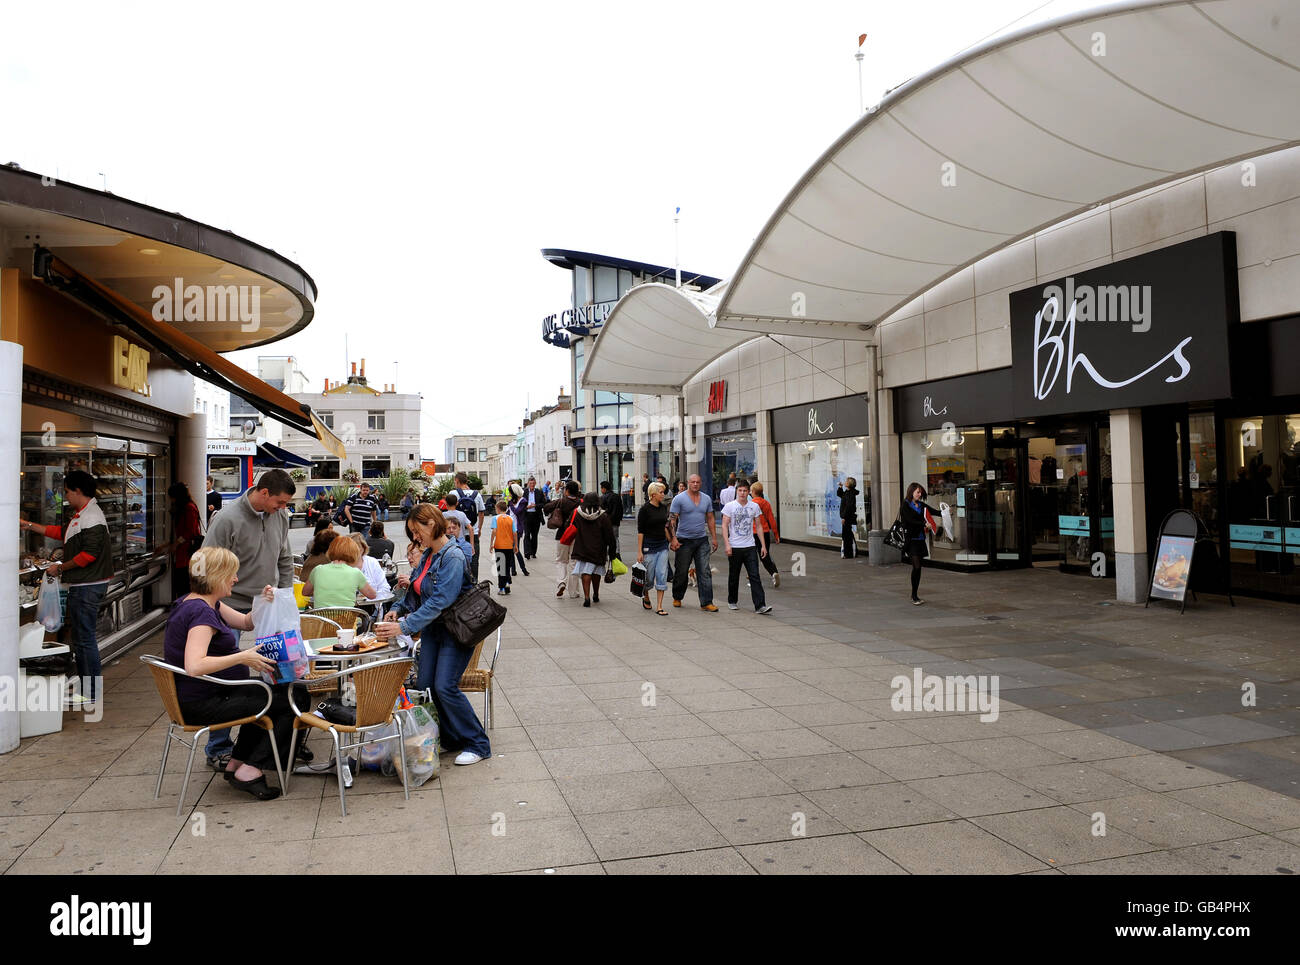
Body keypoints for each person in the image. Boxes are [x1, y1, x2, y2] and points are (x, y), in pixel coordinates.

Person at [164, 547, 303, 800]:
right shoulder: (201, 613)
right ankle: (251, 768)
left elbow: (246, 622)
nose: (236, 579)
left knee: (280, 691)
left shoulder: (201, 602)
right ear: (216, 576)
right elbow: (194, 665)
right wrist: (243, 656)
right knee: (293, 699)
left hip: (208, 695)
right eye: (232, 574)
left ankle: (238, 762)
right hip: (204, 703)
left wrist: (263, 601)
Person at [377, 504, 489, 766]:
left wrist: (404, 627)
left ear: (432, 524)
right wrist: (396, 609)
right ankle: (451, 737)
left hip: (454, 631)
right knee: (426, 685)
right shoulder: (430, 554)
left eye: (417, 531)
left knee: (444, 687)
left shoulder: (452, 556)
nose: (416, 538)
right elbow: (415, 589)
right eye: (413, 533)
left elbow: (441, 601)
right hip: (433, 631)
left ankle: (478, 743)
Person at [20, 469, 111, 707]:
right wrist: (29, 526)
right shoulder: (82, 515)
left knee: (84, 639)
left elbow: (89, 554)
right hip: (85, 584)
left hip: (88, 586)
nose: (66, 496)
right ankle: (88, 688)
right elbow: (62, 534)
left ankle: (90, 691)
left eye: (68, 491)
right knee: (82, 638)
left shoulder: (91, 517)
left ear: (77, 490)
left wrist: (60, 568)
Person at [668, 474, 718, 611]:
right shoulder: (679, 499)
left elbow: (710, 518)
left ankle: (706, 602)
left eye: (698, 482)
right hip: (684, 539)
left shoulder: (706, 498)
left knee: (704, 571)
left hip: (701, 539)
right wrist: (673, 538)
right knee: (682, 571)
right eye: (693, 482)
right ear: (688, 483)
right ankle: (677, 597)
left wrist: (714, 537)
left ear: (701, 483)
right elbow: (672, 520)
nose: (695, 484)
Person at [722, 481, 772, 614]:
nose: (743, 493)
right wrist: (727, 544)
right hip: (735, 546)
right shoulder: (729, 506)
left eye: (745, 491)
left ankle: (760, 605)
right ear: (737, 491)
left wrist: (763, 546)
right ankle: (732, 600)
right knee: (734, 575)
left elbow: (759, 526)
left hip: (750, 546)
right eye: (740, 491)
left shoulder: (754, 506)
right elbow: (724, 525)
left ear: (749, 491)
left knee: (754, 575)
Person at [303, 535, 378, 607]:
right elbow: (372, 595)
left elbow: (305, 592)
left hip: (322, 618)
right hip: (346, 618)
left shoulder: (318, 570)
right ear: (353, 552)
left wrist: (324, 591)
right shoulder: (355, 573)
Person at [570, 492, 616, 607]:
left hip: (582, 547)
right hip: (598, 548)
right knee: (596, 571)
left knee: (586, 572)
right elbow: (610, 535)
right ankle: (595, 594)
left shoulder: (578, 514)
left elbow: (571, 526)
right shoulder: (603, 516)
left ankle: (586, 597)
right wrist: (612, 550)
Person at [900, 482, 940, 606]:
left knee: (918, 568)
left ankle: (915, 593)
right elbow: (909, 520)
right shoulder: (905, 505)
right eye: (918, 492)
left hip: (920, 539)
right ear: (911, 492)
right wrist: (923, 524)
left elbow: (933, 511)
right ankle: (914, 595)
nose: (919, 494)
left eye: (920, 492)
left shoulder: (921, 505)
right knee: (916, 566)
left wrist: (944, 513)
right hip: (911, 540)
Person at [637, 481, 672, 615]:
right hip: (648, 546)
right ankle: (646, 595)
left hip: (662, 545)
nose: (663, 495)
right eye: (661, 492)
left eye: (664, 492)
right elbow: (640, 532)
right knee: (649, 577)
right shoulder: (644, 510)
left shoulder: (663, 508)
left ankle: (659, 606)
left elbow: (665, 526)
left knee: (662, 574)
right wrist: (639, 551)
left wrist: (671, 539)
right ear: (653, 494)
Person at [543, 479, 583, 599]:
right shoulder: (581, 503)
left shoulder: (561, 501)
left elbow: (546, 507)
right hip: (577, 535)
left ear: (567, 491)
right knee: (573, 562)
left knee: (561, 560)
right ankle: (573, 592)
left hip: (562, 535)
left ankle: (561, 582)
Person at [167, 482, 203, 599]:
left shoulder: (189, 508)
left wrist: (176, 544)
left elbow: (190, 532)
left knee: (184, 585)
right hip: (184, 553)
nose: (171, 500)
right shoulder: (187, 507)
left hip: (187, 553)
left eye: (172, 497)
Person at [450, 473, 483, 581]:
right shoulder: (477, 494)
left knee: (457, 560)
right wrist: (480, 528)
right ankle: (474, 583)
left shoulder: (453, 493)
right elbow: (481, 513)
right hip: (474, 532)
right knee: (474, 559)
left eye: (455, 482)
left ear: (458, 481)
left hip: (457, 534)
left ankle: (462, 584)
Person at [750, 481, 781, 587]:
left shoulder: (751, 504)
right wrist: (776, 535)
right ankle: (774, 572)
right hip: (766, 532)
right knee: (765, 554)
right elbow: (771, 520)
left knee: (753, 556)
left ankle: (755, 578)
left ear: (753, 492)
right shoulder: (766, 503)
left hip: (754, 533)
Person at [348, 532, 390, 601]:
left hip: (373, 605)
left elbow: (384, 588)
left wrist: (371, 599)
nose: (354, 552)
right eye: (351, 549)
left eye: (357, 548)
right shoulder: (343, 564)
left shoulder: (372, 562)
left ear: (363, 548)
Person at [489, 498, 518, 595]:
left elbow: (494, 531)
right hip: (509, 546)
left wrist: (491, 544)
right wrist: (516, 545)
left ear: (497, 508)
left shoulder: (495, 518)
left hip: (499, 545)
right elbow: (514, 533)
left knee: (501, 567)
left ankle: (502, 588)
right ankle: (507, 583)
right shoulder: (510, 518)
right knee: (507, 566)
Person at [599, 480, 624, 559]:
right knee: (615, 538)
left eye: (601, 488)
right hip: (615, 522)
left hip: (606, 521)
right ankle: (617, 554)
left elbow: (602, 511)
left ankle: (605, 555)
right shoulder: (617, 496)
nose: (601, 490)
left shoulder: (603, 498)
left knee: (605, 538)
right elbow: (621, 509)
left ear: (604, 489)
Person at [837, 477, 861, 559]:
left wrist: (844, 517)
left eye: (847, 481)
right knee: (848, 534)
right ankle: (851, 552)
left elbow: (848, 507)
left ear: (849, 484)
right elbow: (840, 495)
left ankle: (849, 553)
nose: (845, 482)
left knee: (846, 535)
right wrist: (840, 487)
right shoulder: (847, 492)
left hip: (848, 517)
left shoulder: (850, 494)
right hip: (847, 516)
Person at [521, 476, 544, 560]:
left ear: (535, 483)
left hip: (536, 516)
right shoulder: (524, 492)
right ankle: (527, 552)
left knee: (534, 536)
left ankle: (533, 552)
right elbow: (520, 505)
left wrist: (535, 505)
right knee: (527, 534)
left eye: (533, 483)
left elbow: (543, 504)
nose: (532, 485)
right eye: (531, 483)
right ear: (528, 484)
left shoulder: (539, 492)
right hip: (527, 516)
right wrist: (527, 507)